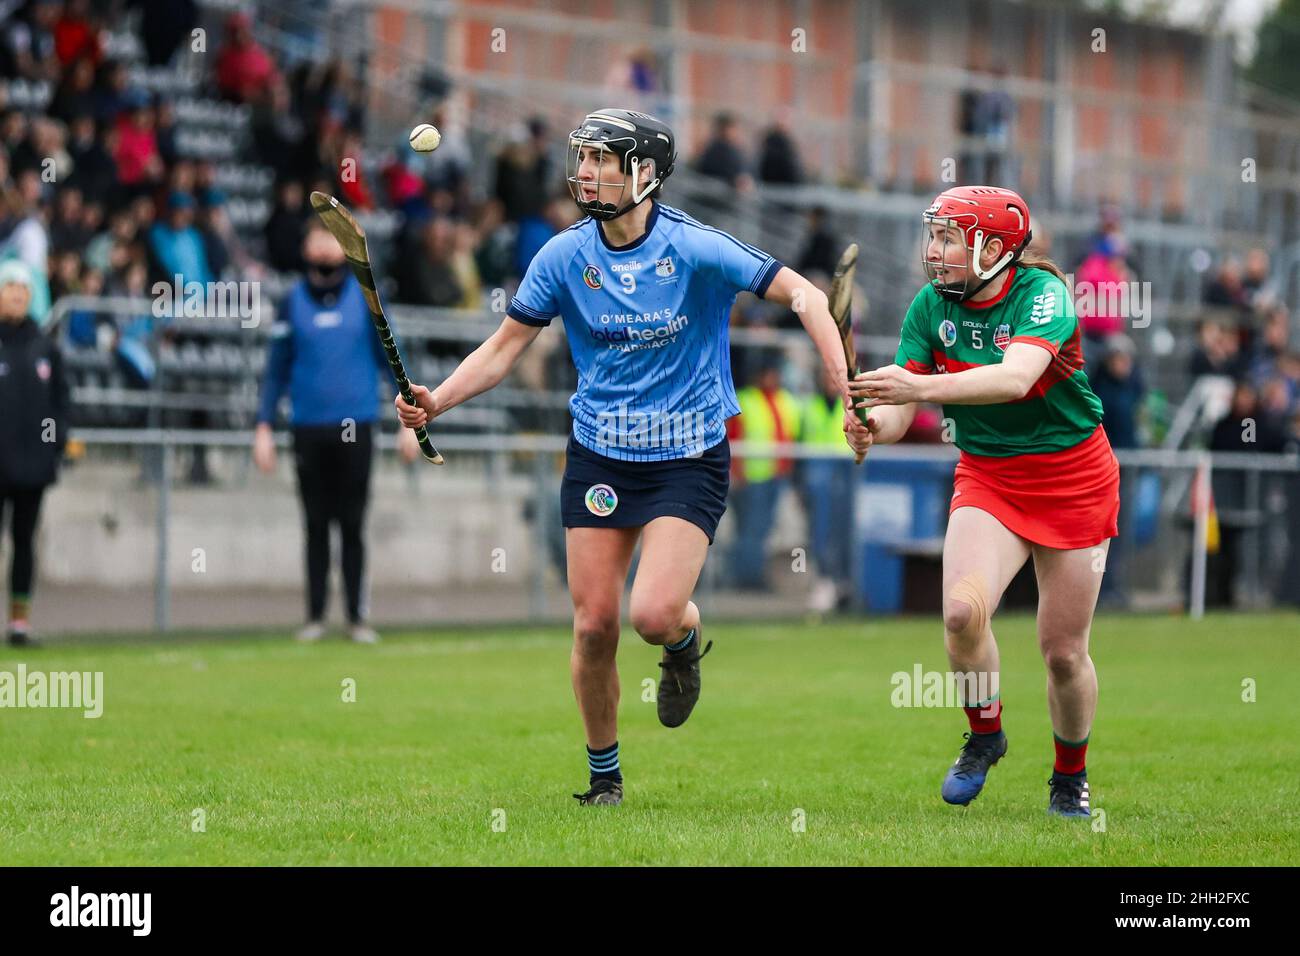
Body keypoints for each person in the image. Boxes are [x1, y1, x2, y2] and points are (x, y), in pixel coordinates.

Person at [394, 108, 859, 806]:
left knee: (652, 614)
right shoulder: (562, 256)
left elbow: (805, 293)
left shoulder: (696, 247)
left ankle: (682, 641)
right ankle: (604, 779)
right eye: (581, 159)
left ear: (643, 173)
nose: (583, 172)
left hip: (686, 460)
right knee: (593, 626)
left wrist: (839, 378)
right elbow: (502, 349)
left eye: (600, 161)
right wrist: (438, 402)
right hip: (600, 459)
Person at [847, 186, 1120, 819]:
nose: (934, 251)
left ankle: (1069, 776)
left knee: (1062, 652)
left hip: (1074, 480)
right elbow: (900, 411)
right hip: (989, 477)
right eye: (933, 235)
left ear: (994, 249)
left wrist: (918, 383)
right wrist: (872, 426)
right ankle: (986, 734)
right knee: (960, 616)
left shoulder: (1044, 296)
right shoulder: (927, 307)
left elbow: (1014, 377)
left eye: (949, 238)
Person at [254, 225, 419, 643]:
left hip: (356, 427)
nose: (325, 246)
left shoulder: (366, 298)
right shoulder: (291, 302)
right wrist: (263, 427)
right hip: (308, 428)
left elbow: (392, 362)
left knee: (351, 524)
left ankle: (356, 617)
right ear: (306, 247)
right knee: (314, 525)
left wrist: (409, 424)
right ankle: (313, 616)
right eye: (318, 238)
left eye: (332, 238)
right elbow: (275, 371)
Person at [0, 260, 69, 646]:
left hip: (31, 469)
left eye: (23, 289)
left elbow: (57, 405)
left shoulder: (45, 347)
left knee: (24, 542)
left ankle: (19, 623)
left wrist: (50, 444)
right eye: (9, 286)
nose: (16, 294)